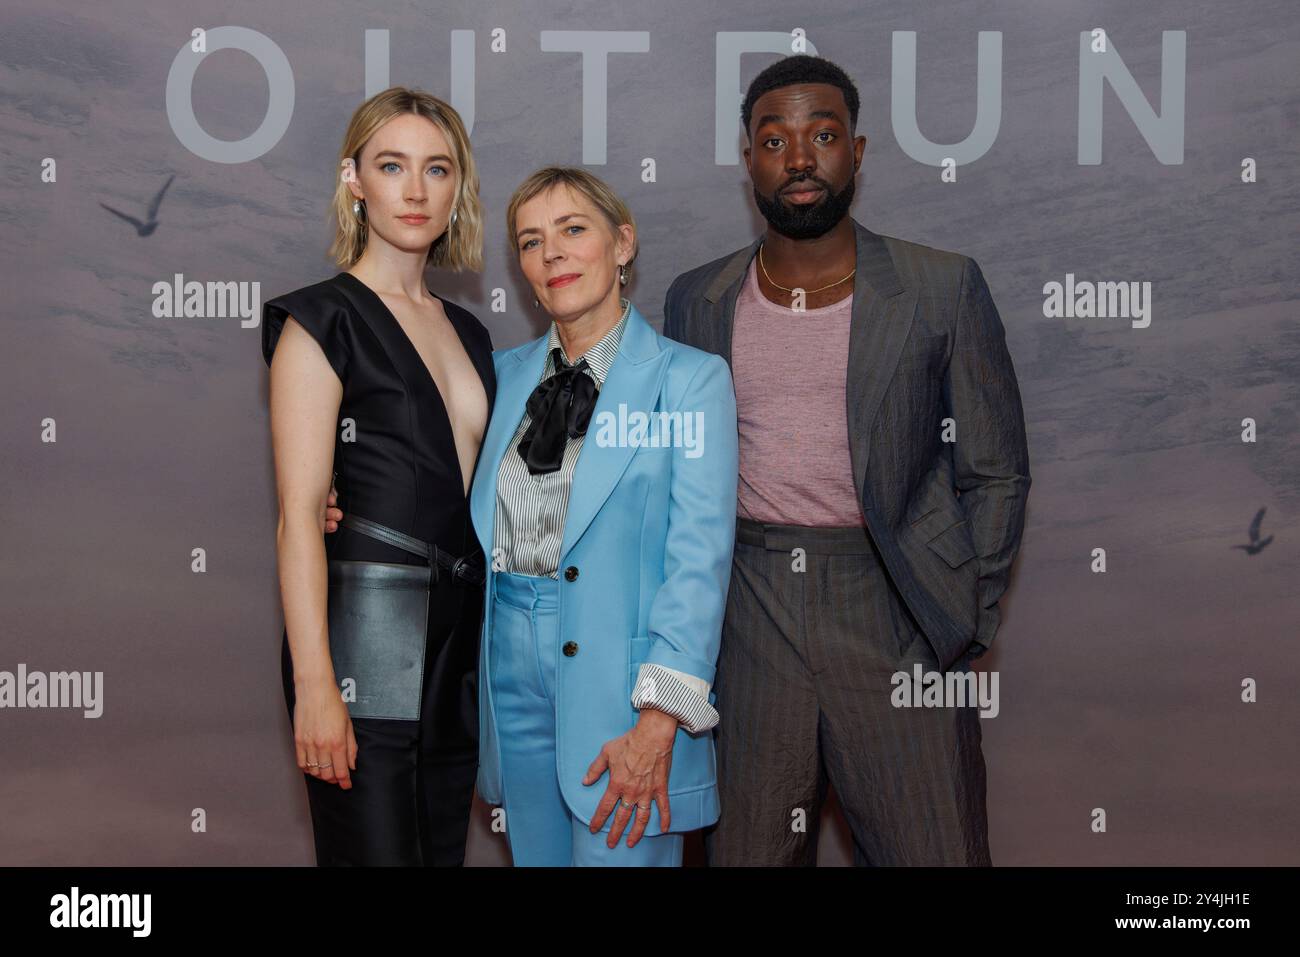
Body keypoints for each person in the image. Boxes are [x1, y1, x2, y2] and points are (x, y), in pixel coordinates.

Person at [662, 55, 1031, 865]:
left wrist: (961, 614)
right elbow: (671, 476)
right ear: (748, 160)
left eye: (823, 135)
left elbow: (996, 470)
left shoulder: (942, 287)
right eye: (774, 139)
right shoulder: (697, 299)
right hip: (747, 613)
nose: (799, 159)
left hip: (894, 604)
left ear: (856, 153)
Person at [330, 166, 739, 866]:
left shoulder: (690, 381)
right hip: (505, 682)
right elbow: (435, 487)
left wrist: (657, 722)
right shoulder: (497, 374)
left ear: (623, 244)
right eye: (530, 240)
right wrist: (351, 505)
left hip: (625, 693)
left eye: (573, 230)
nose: (551, 253)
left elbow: (699, 560)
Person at [261, 87, 495, 865]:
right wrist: (317, 683)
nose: (416, 190)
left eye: (437, 168)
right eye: (392, 166)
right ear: (354, 179)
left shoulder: (469, 330)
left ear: (458, 185)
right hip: (366, 628)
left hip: (461, 633)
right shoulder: (319, 320)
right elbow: (300, 516)